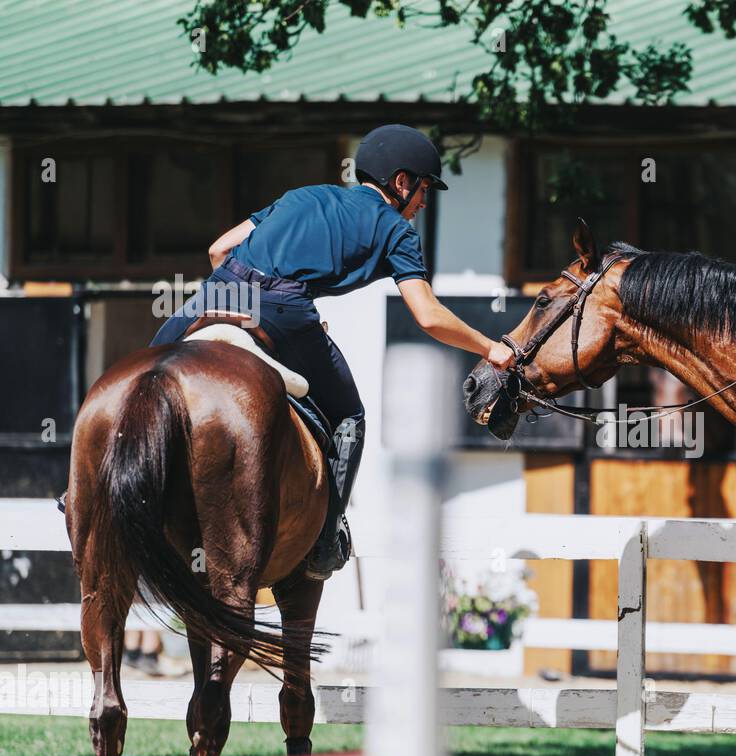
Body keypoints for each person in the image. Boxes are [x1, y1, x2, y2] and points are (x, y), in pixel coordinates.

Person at [150, 125, 516, 579]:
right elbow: (428, 315)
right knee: (349, 416)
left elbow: (219, 248)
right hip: (284, 307)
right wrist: (490, 347)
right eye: (424, 189)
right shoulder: (395, 231)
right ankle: (325, 538)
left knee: (149, 376)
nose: (423, 202)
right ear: (401, 183)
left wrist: (236, 301)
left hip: (222, 289)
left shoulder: (301, 195)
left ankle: (93, 486)